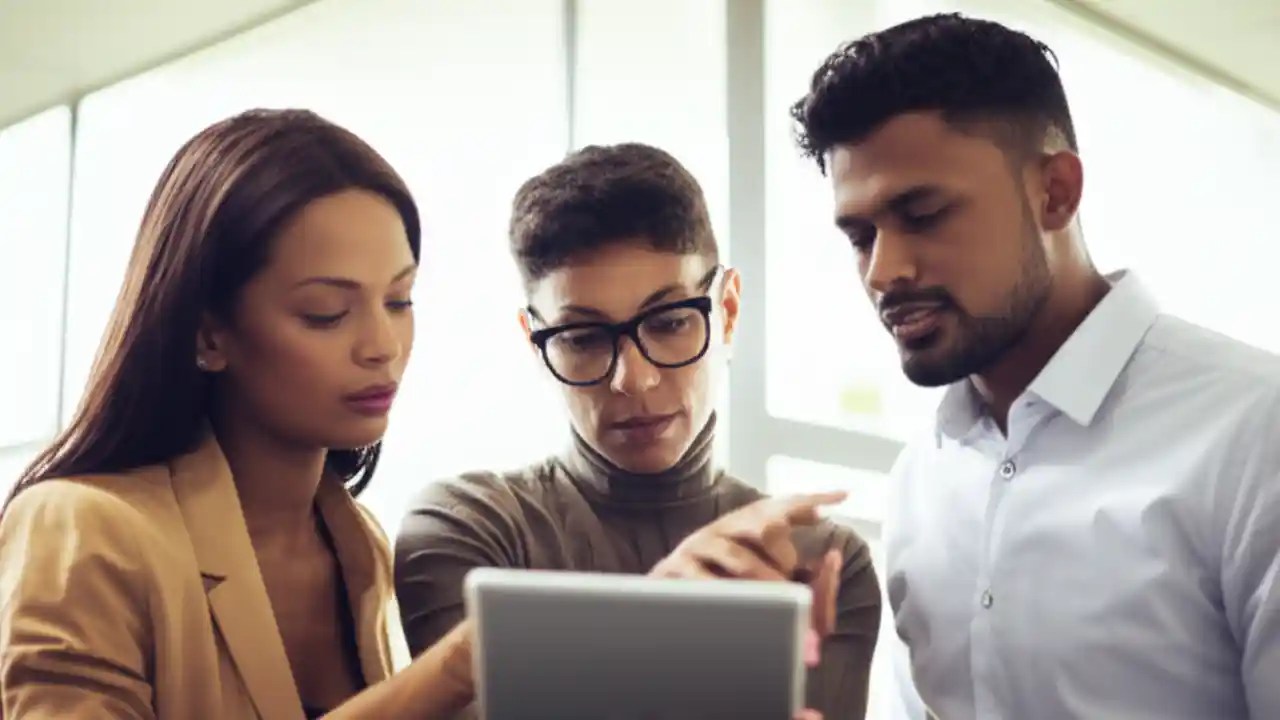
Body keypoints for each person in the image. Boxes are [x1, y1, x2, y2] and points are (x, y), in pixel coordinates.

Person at [791, 12, 1280, 720]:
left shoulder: (1256, 432)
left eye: (923, 214)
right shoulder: (920, 477)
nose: (883, 271)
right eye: (860, 235)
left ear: (1055, 193)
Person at [0, 109, 476, 719]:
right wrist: (452, 669)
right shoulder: (84, 529)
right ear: (208, 335)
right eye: (326, 313)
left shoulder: (362, 546)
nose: (381, 345)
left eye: (398, 300)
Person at [394, 143, 881, 719]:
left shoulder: (818, 557)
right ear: (536, 341)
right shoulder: (470, 531)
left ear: (725, 310)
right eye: (583, 338)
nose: (636, 379)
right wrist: (657, 631)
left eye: (671, 322)